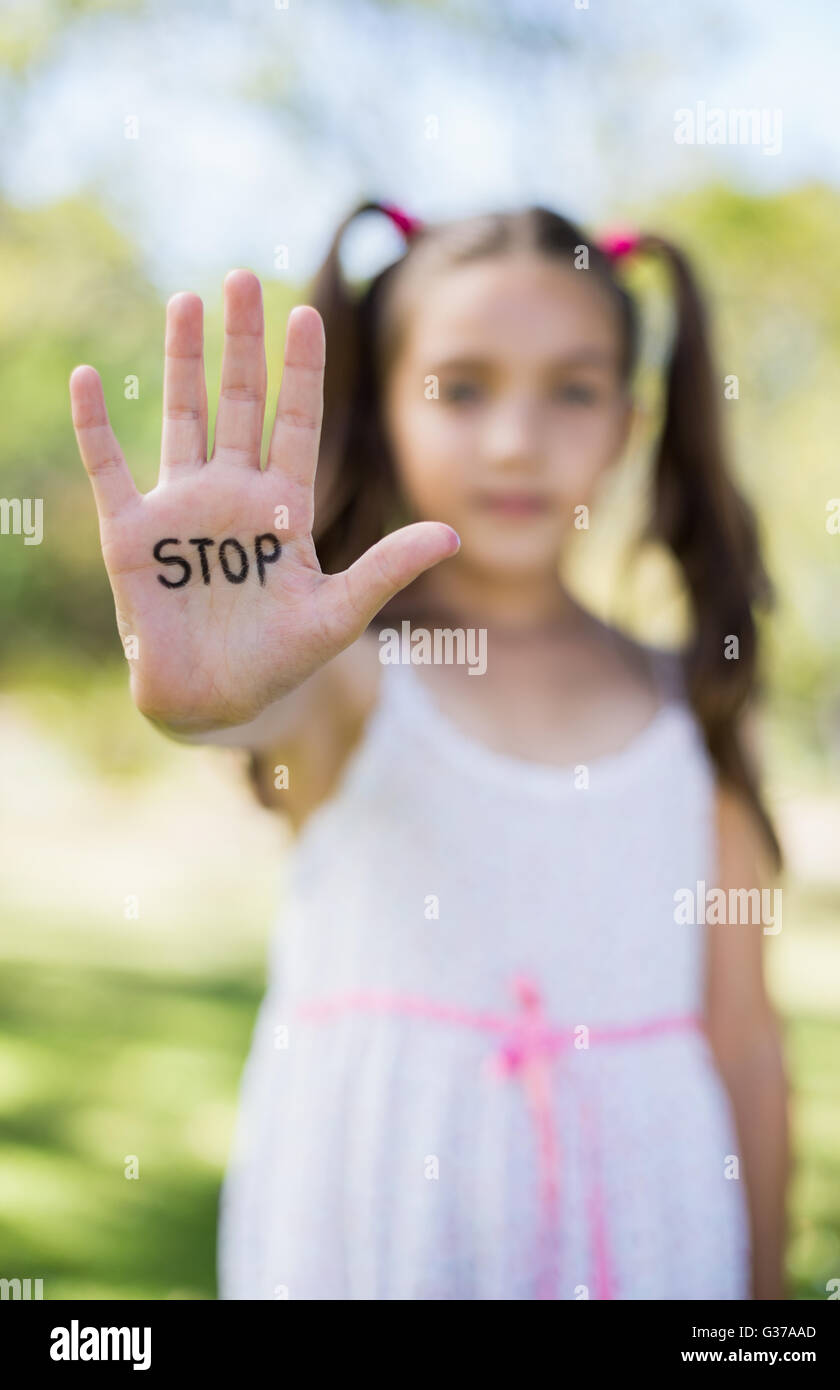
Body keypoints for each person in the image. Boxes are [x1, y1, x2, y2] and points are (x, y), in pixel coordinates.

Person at [69, 199, 790, 1300]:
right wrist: (208, 692)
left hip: (652, 1232)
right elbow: (260, 713)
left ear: (628, 423)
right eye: (460, 387)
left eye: (573, 388)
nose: (514, 438)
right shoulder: (354, 678)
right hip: (375, 1229)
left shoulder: (689, 700)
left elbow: (740, 1041)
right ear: (384, 408)